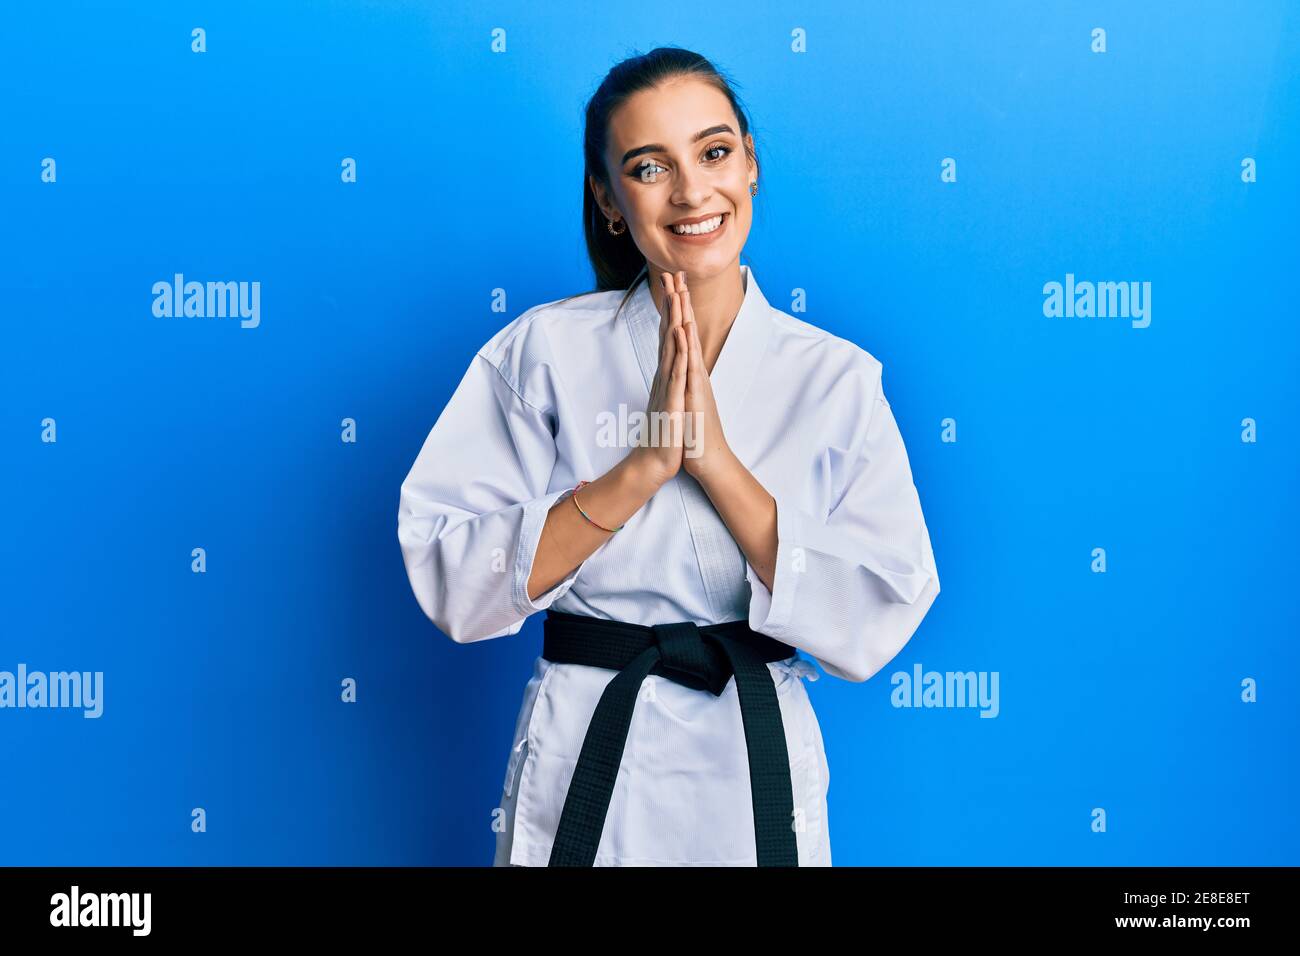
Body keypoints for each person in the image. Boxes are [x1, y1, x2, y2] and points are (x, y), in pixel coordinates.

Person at [397, 46, 940, 866]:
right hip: (591, 743)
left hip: (750, 757)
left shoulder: (836, 379)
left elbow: (878, 615)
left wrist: (715, 462)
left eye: (714, 152)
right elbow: (451, 579)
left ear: (751, 165)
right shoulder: (540, 353)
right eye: (649, 167)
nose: (692, 192)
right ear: (609, 200)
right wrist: (638, 472)